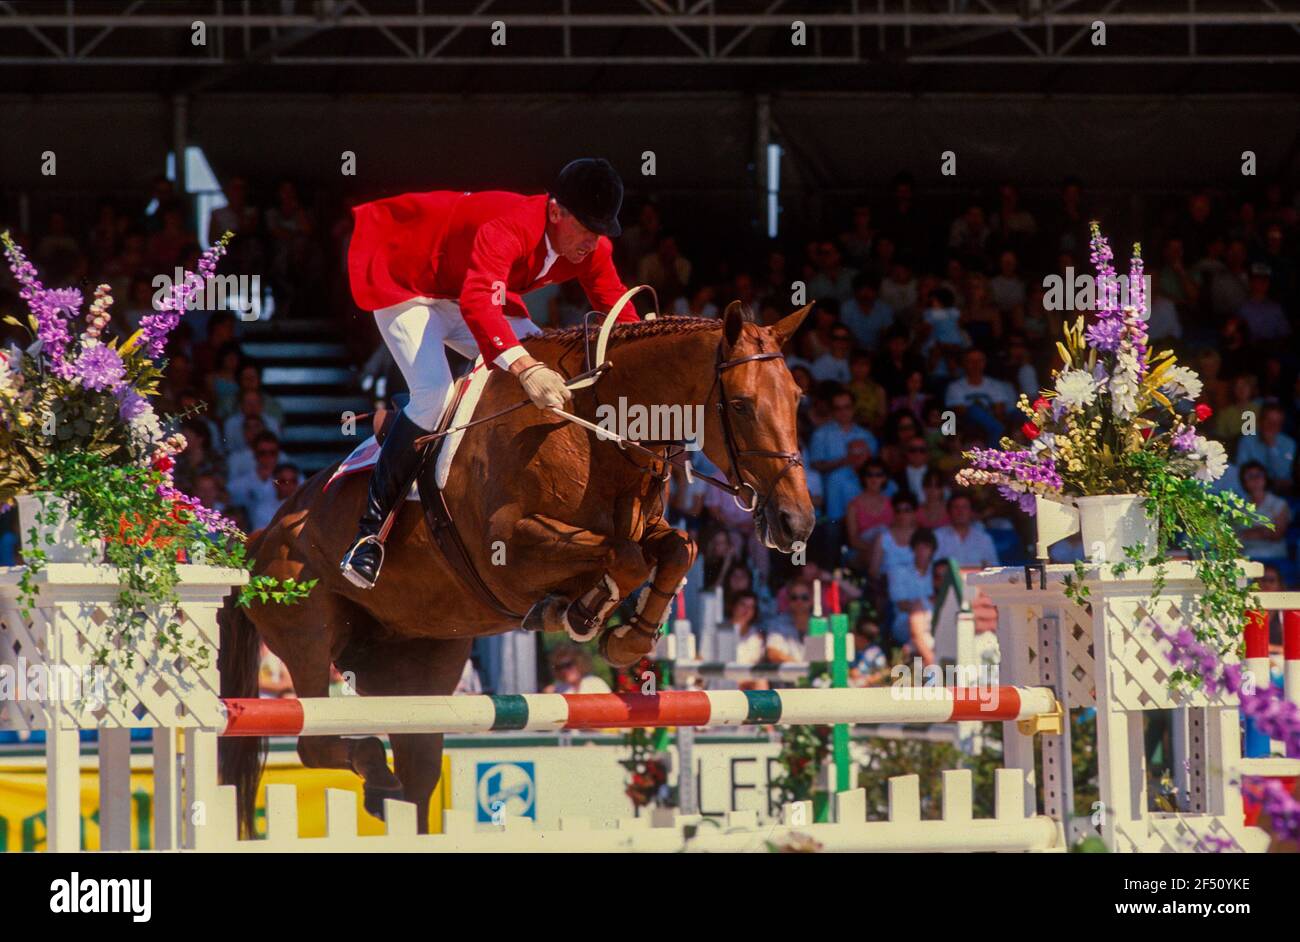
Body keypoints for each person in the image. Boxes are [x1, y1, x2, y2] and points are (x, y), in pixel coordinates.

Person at [340, 158, 637, 588]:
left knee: (550, 357)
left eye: (600, 231)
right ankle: (369, 534)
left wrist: (659, 349)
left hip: (464, 289)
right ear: (556, 212)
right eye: (587, 228)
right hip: (410, 282)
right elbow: (481, 306)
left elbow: (621, 314)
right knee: (434, 393)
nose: (593, 242)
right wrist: (523, 367)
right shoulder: (511, 227)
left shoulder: (589, 248)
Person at [887, 528, 938, 657]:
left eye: (926, 547)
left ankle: (914, 652)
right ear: (913, 549)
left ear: (932, 551)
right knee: (924, 632)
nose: (922, 552)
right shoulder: (898, 572)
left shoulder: (938, 573)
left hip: (934, 619)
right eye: (918, 547)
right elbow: (901, 605)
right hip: (904, 621)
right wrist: (924, 609)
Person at [1236, 403, 1297, 495]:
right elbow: (1241, 470)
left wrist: (1272, 447)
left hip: (1280, 492)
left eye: (1277, 423)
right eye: (1268, 421)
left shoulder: (1289, 443)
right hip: (1251, 489)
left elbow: (1282, 474)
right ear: (1260, 421)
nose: (1272, 426)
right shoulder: (1247, 440)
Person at [1237, 461, 1291, 560]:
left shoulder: (1279, 504)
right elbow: (1235, 535)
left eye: (1258, 475)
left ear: (1265, 477)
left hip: (1272, 552)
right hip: (1245, 551)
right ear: (1244, 481)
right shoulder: (1239, 506)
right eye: (1250, 476)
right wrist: (1262, 531)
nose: (1255, 479)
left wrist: (1252, 533)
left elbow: (1277, 534)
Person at [934, 492, 998, 567]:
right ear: (949, 512)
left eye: (964, 507)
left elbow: (994, 569)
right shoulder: (938, 536)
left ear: (971, 512)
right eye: (956, 507)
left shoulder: (984, 539)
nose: (960, 512)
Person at [544, 645, 611, 694]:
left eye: (568, 665)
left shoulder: (596, 683)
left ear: (579, 663)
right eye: (559, 667)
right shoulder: (556, 689)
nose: (563, 670)